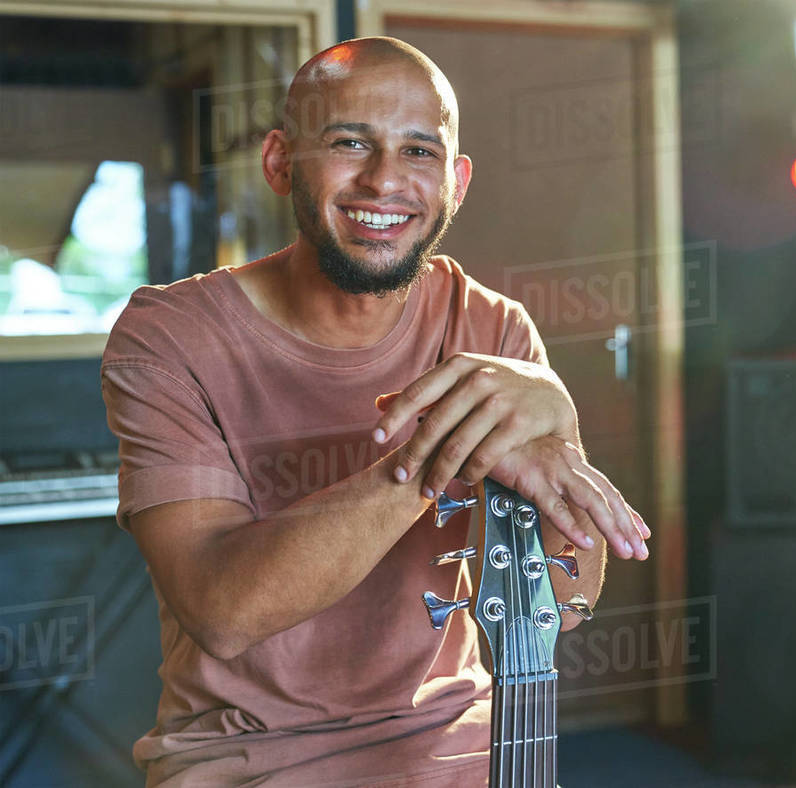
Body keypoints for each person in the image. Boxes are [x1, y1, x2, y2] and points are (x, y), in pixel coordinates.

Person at [101, 36, 649, 787]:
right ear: (279, 161)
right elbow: (222, 613)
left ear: (456, 182)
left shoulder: (494, 330)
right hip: (247, 761)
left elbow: (568, 600)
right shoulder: (170, 333)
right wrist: (433, 449)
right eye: (350, 142)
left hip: (457, 747)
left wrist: (559, 420)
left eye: (419, 153)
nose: (385, 179)